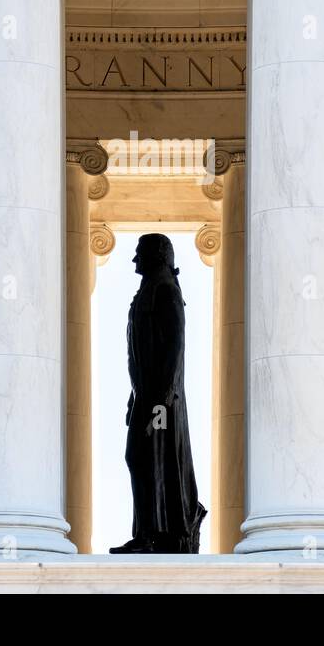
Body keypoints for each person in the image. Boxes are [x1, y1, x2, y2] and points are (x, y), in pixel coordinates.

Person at [110, 233, 206, 553]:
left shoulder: (166, 290)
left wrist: (162, 401)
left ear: (159, 255)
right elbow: (139, 353)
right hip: (146, 397)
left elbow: (174, 348)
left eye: (140, 253)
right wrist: (133, 398)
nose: (135, 260)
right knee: (139, 456)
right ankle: (147, 533)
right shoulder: (148, 290)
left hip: (161, 402)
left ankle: (157, 535)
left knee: (154, 458)